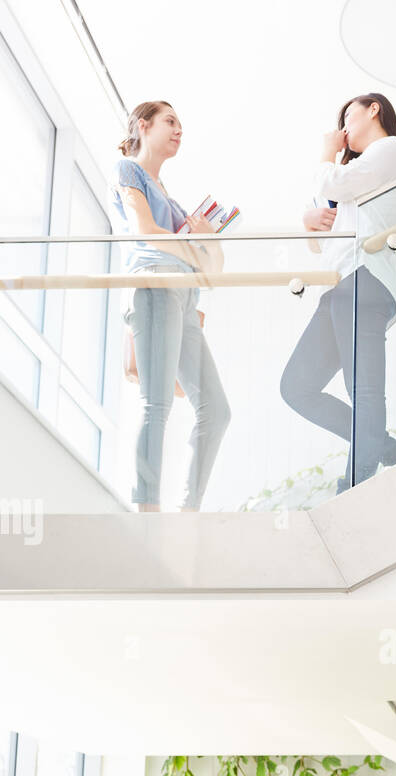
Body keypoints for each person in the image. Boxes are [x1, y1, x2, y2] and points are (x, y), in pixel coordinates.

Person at [280, 93, 396, 495]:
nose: (342, 128)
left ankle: (354, 486)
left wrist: (327, 152)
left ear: (374, 109)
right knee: (297, 387)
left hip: (365, 278)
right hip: (339, 285)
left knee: (363, 389)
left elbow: (334, 182)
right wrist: (309, 222)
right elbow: (318, 245)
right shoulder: (356, 176)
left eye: (347, 117)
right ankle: (388, 449)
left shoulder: (390, 150)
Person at [109, 100, 231, 511]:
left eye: (180, 124)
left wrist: (208, 240)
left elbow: (213, 272)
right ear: (143, 126)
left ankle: (186, 510)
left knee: (216, 410)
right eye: (170, 121)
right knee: (157, 402)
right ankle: (147, 508)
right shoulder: (128, 170)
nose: (179, 130)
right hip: (156, 284)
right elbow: (145, 231)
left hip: (185, 296)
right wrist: (195, 248)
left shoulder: (174, 204)